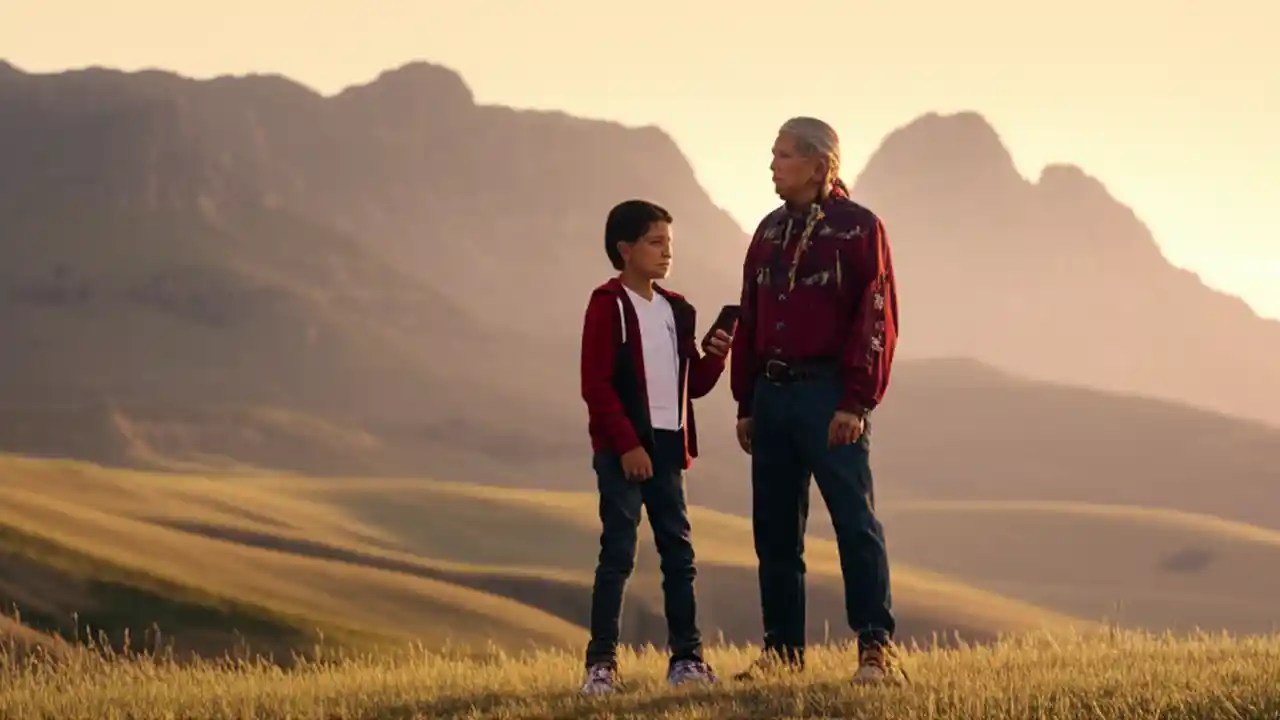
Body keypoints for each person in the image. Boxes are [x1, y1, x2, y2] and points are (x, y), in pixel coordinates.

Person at [729, 117, 905, 684]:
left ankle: (875, 648)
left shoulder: (859, 230)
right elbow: (750, 313)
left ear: (818, 165)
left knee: (854, 522)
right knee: (775, 531)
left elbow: (876, 316)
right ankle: (782, 654)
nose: (773, 165)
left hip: (830, 395)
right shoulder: (767, 232)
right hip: (771, 395)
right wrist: (745, 400)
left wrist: (856, 401)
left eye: (784, 155)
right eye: (774, 154)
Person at [578, 198, 733, 695]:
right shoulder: (608, 305)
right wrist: (628, 445)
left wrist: (715, 357)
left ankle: (687, 660)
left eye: (670, 243)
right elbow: (596, 385)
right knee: (618, 555)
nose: (667, 252)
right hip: (623, 449)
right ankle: (601, 666)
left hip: (668, 448)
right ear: (625, 249)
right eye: (655, 242)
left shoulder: (675, 309)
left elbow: (694, 384)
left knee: (679, 557)